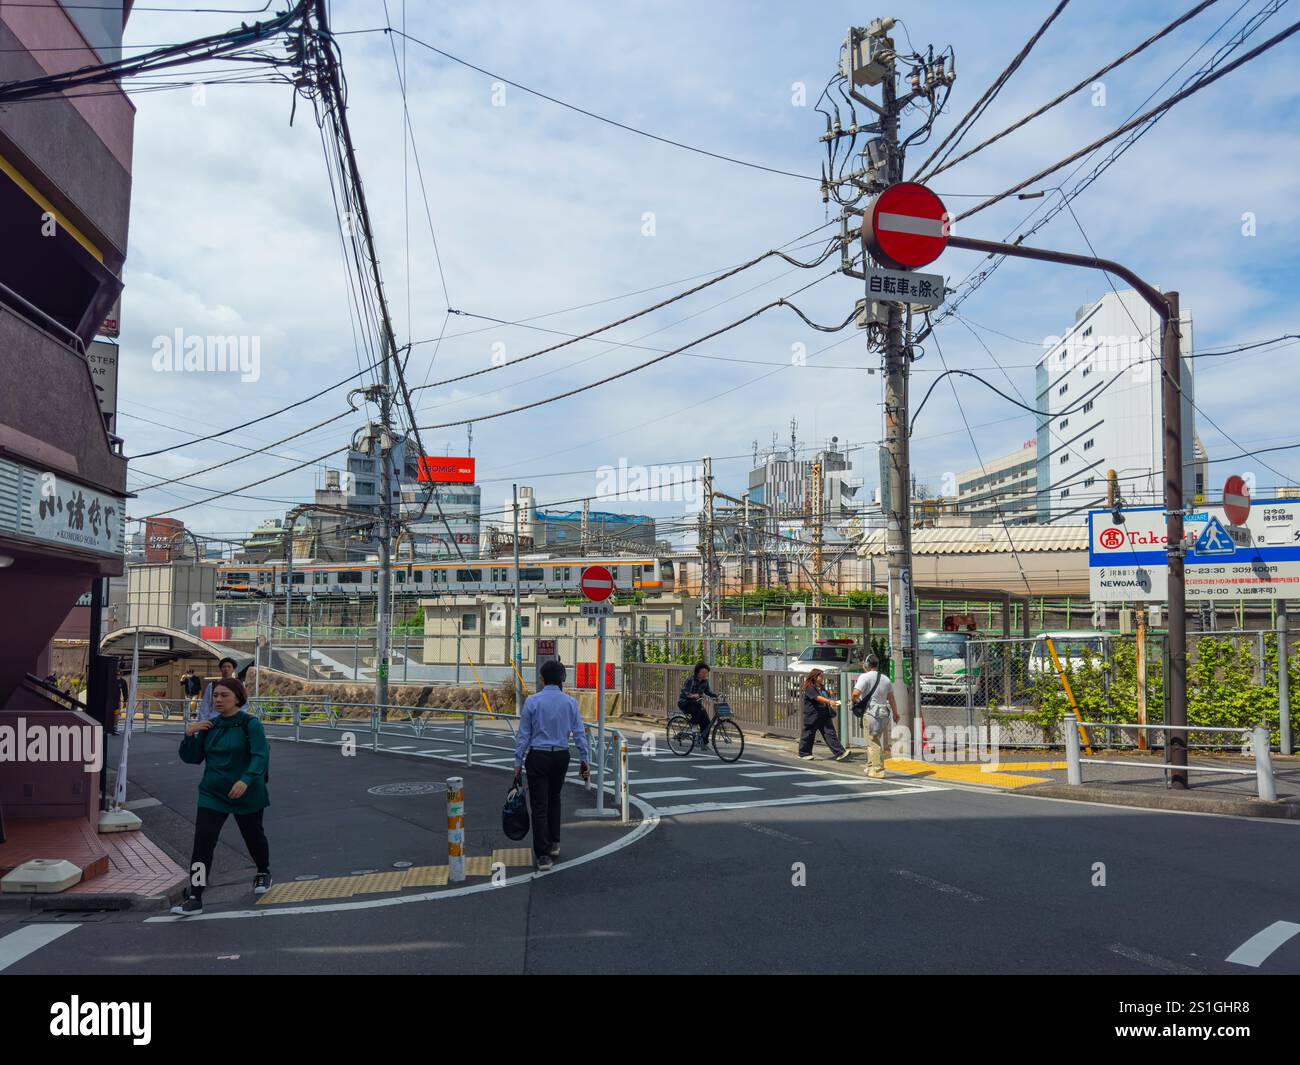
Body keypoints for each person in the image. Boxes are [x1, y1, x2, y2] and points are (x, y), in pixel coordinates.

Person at [171, 677, 271, 916]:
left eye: (224, 695)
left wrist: (246, 780)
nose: (218, 699)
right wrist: (190, 734)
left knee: (253, 836)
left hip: (246, 792)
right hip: (212, 793)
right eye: (215, 695)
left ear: (238, 698)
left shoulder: (251, 724)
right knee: (202, 843)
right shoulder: (209, 726)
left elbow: (260, 755)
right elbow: (192, 758)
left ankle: (263, 871)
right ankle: (194, 895)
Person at [513, 660, 590, 871]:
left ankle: (543, 855)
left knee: (539, 805)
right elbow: (579, 734)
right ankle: (554, 842)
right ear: (561, 679)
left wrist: (518, 762)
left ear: (543, 679)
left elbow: (524, 736)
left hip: (538, 756)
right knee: (554, 798)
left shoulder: (533, 701)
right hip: (561, 757)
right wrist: (585, 759)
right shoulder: (570, 702)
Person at [853, 654, 900, 779]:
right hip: (884, 713)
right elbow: (891, 698)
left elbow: (856, 693)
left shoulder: (864, 677)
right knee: (873, 740)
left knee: (873, 742)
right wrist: (895, 713)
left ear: (867, 665)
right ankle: (870, 766)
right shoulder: (885, 678)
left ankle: (878, 769)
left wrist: (857, 702)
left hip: (871, 713)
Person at [799, 668, 850, 762]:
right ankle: (804, 753)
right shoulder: (809, 687)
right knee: (809, 734)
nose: (822, 678)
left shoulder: (821, 687)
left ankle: (840, 752)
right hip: (813, 714)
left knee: (830, 733)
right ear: (814, 677)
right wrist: (829, 701)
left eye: (823, 676)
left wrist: (831, 696)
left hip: (824, 713)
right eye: (820, 676)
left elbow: (825, 696)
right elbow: (817, 698)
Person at [678, 661, 718, 749]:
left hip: (696, 705)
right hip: (685, 702)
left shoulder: (705, 682)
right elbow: (684, 691)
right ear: (697, 672)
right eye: (703, 672)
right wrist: (692, 695)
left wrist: (717, 695)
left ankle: (703, 742)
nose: (705, 674)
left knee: (707, 722)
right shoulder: (691, 680)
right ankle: (694, 725)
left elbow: (708, 692)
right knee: (699, 707)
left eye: (706, 672)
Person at [196, 657, 238, 723]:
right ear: (220, 669)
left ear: (233, 669)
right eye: (224, 667)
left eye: (229, 667)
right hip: (215, 720)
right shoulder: (212, 685)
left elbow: (243, 705)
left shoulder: (238, 686)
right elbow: (205, 705)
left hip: (233, 721)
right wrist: (203, 722)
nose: (226, 669)